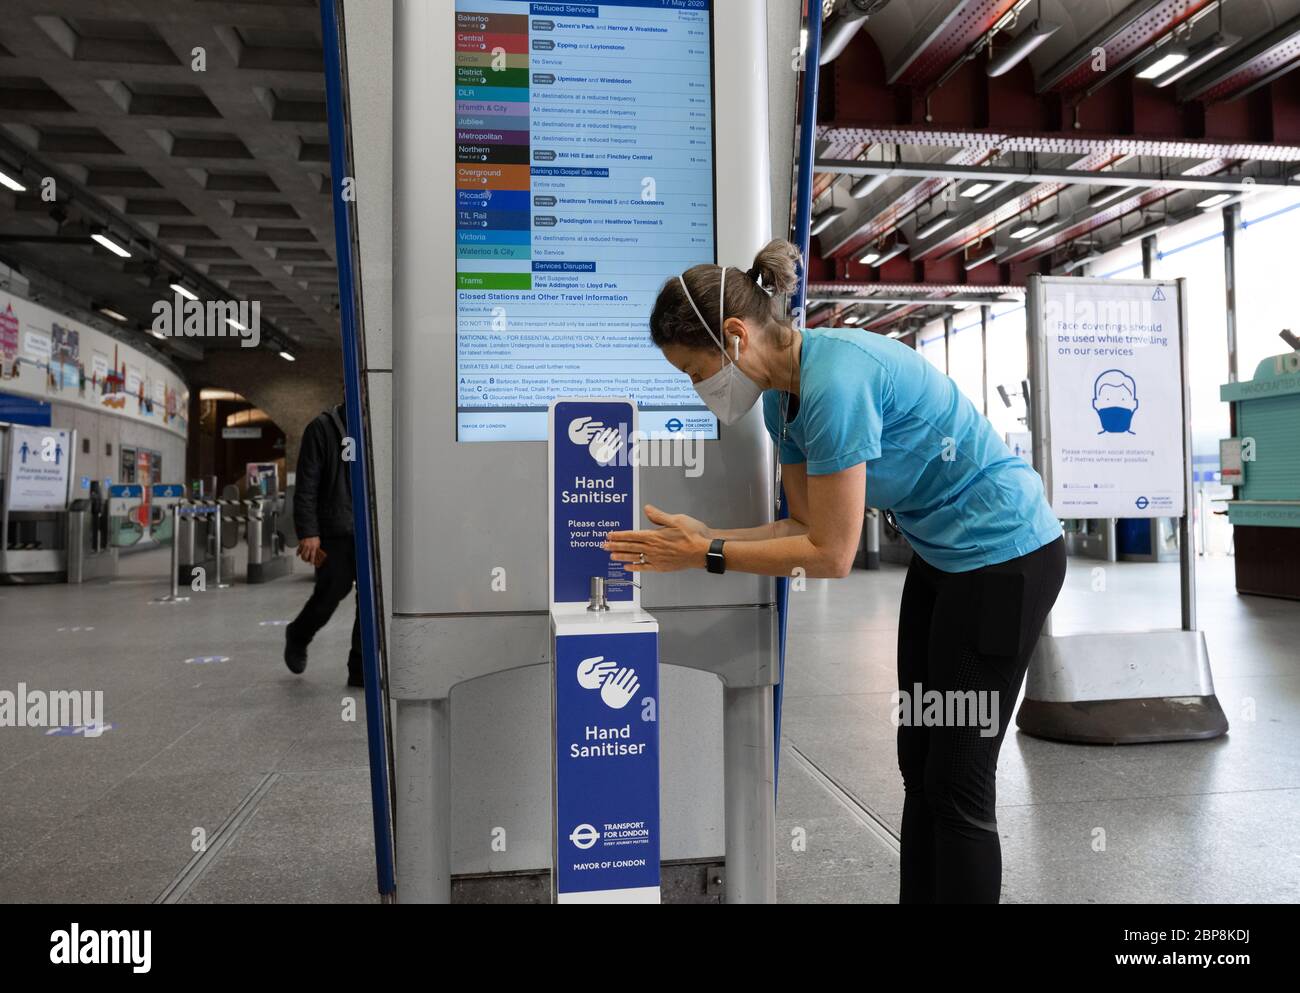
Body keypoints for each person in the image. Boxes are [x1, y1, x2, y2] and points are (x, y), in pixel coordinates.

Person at [602, 239, 1066, 904]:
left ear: (734, 337)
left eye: (692, 371)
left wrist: (707, 555)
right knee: (920, 763)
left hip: (1005, 561)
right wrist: (710, 537)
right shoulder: (779, 400)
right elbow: (803, 524)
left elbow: (833, 554)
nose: (696, 388)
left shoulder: (836, 382)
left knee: (958, 781)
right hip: (943, 561)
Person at [284, 402, 363, 688]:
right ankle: (298, 634)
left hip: (371, 530)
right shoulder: (321, 428)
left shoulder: (378, 423)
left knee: (370, 600)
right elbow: (306, 486)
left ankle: (360, 669)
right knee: (332, 590)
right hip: (335, 530)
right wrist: (308, 532)